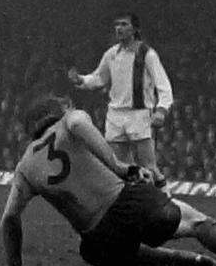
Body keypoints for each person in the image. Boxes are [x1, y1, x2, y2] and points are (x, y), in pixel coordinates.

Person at [0, 94, 216, 266]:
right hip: (129, 204)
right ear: (56, 110)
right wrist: (118, 167)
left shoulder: (24, 166)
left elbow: (9, 219)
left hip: (99, 242)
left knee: (102, 252)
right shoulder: (70, 120)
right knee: (198, 222)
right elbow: (80, 125)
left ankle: (187, 261)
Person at [67, 12, 173, 173]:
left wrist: (162, 110)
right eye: (117, 24)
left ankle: (162, 194)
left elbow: (163, 84)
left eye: (124, 24)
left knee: (148, 165)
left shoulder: (147, 54)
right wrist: (80, 80)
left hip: (139, 114)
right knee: (118, 165)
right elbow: (99, 78)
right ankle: (131, 195)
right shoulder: (111, 54)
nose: (119, 28)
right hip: (115, 115)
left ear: (134, 29)